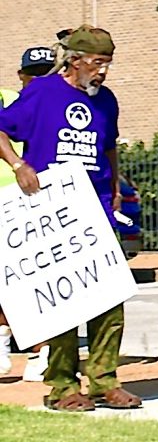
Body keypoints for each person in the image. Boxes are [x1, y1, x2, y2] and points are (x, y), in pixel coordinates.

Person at [0, 26, 131, 411]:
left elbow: (109, 147)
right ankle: (61, 387)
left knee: (110, 298)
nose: (103, 72)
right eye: (96, 63)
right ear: (74, 62)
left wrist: (117, 187)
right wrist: (19, 164)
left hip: (97, 211)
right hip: (51, 212)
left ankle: (105, 381)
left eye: (107, 64)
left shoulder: (106, 101)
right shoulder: (42, 92)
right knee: (62, 304)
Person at [1, 43, 58, 382]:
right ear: (21, 75)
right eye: (33, 74)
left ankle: (43, 352)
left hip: (40, 202)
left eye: (46, 74)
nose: (39, 80)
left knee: (41, 279)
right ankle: (4, 340)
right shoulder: (7, 100)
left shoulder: (56, 101)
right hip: (6, 198)